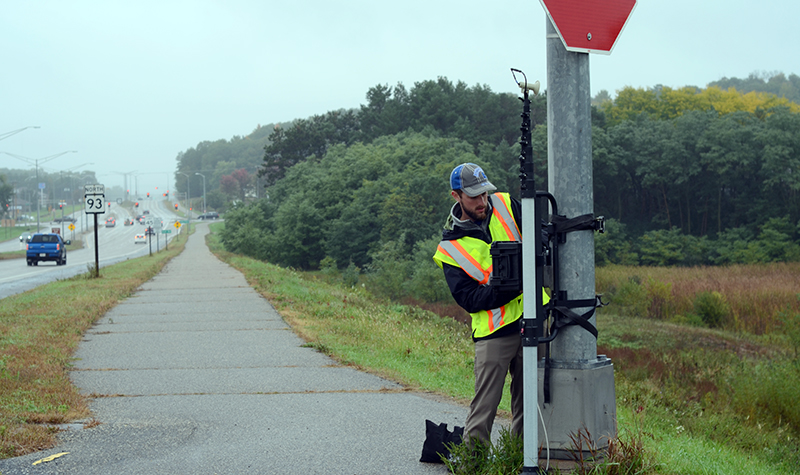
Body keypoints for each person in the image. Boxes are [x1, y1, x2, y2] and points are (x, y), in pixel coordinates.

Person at [432, 163, 525, 447]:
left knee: (532, 400)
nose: (482, 201)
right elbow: (469, 300)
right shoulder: (449, 249)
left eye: (485, 193)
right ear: (456, 196)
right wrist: (511, 287)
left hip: (532, 320)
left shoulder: (507, 205)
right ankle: (473, 464)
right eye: (474, 196)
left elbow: (541, 236)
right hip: (494, 332)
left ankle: (523, 459)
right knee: (484, 407)